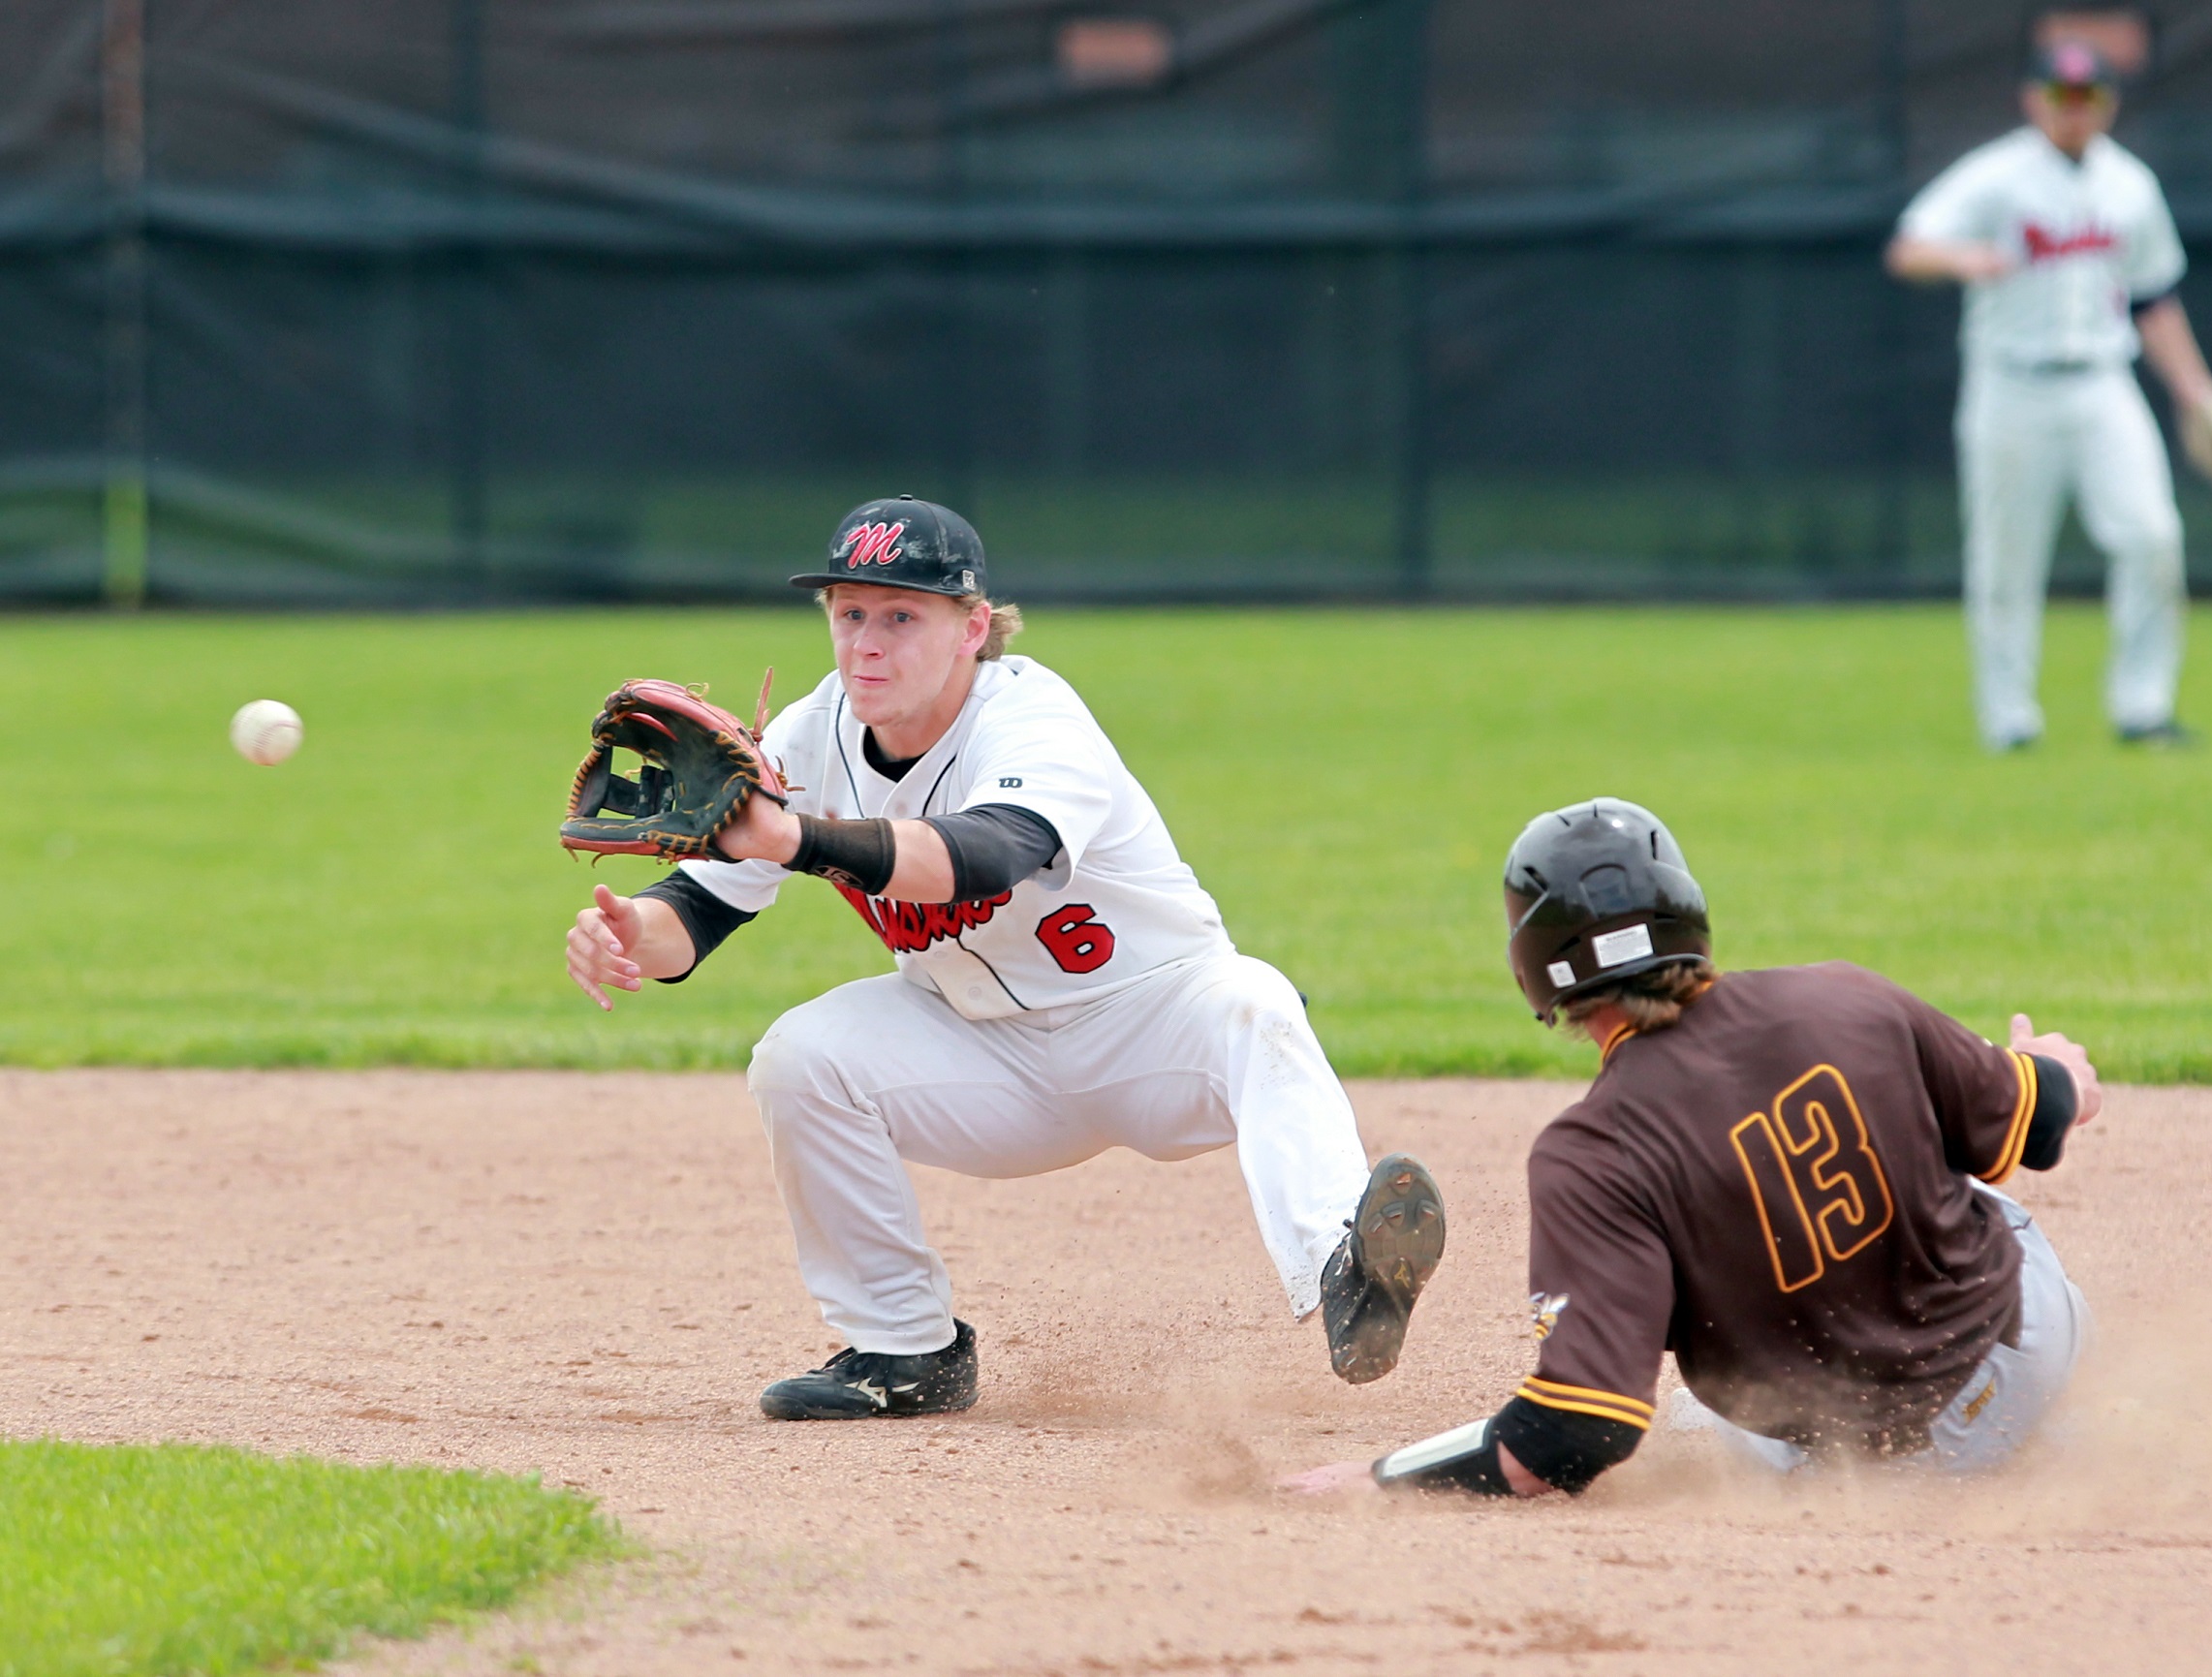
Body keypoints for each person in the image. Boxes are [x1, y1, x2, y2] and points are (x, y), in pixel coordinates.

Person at [561, 495, 1446, 1418]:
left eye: (902, 615)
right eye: (849, 612)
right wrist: (632, 933)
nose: (867, 641)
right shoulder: (807, 738)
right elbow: (698, 911)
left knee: (1258, 1005)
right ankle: (907, 1352)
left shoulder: (1033, 717)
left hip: (1152, 1023)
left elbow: (984, 854)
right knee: (800, 1057)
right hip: (982, 1055)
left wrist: (795, 837)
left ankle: (1347, 1268)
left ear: (971, 628)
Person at [1285, 797, 2101, 1498]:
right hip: (2034, 1345)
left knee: (1688, 1402)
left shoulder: (1591, 1154)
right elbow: (2038, 1118)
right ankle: (2081, 1422)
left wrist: (1384, 1474)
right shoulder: (1845, 997)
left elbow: (1572, 1433)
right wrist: (2053, 1067)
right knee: (1974, 1185)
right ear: (1686, 911)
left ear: (1537, 969)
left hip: (1888, 1468)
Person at [1887, 39, 2212, 752]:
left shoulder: (2130, 186)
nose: (2073, 110)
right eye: (2060, 96)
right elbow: (1909, 246)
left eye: (2088, 97)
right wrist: (1962, 257)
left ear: (2108, 104)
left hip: (2101, 382)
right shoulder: (1996, 176)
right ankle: (2010, 722)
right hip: (2011, 385)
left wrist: (2197, 393)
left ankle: (2143, 707)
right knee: (2006, 560)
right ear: (2032, 100)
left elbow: (2154, 299)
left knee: (2153, 535)